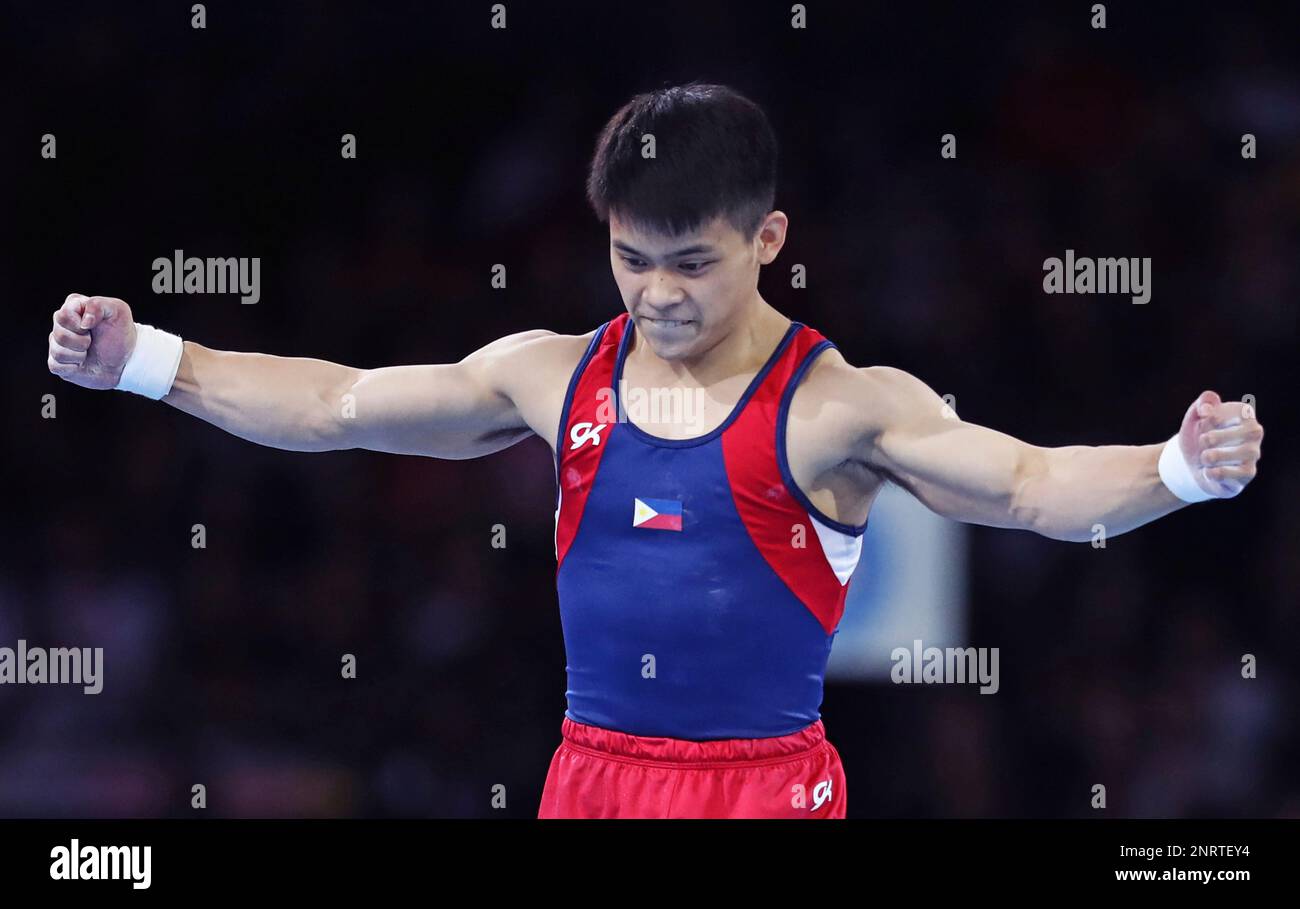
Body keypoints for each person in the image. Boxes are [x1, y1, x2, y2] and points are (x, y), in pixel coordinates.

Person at [45, 83, 1264, 818]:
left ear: (768, 237)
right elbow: (337, 405)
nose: (659, 296)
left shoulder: (839, 407)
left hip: (762, 787)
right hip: (590, 780)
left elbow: (1033, 485)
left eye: (693, 264)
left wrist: (1177, 468)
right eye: (632, 260)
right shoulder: (550, 371)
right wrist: (151, 358)